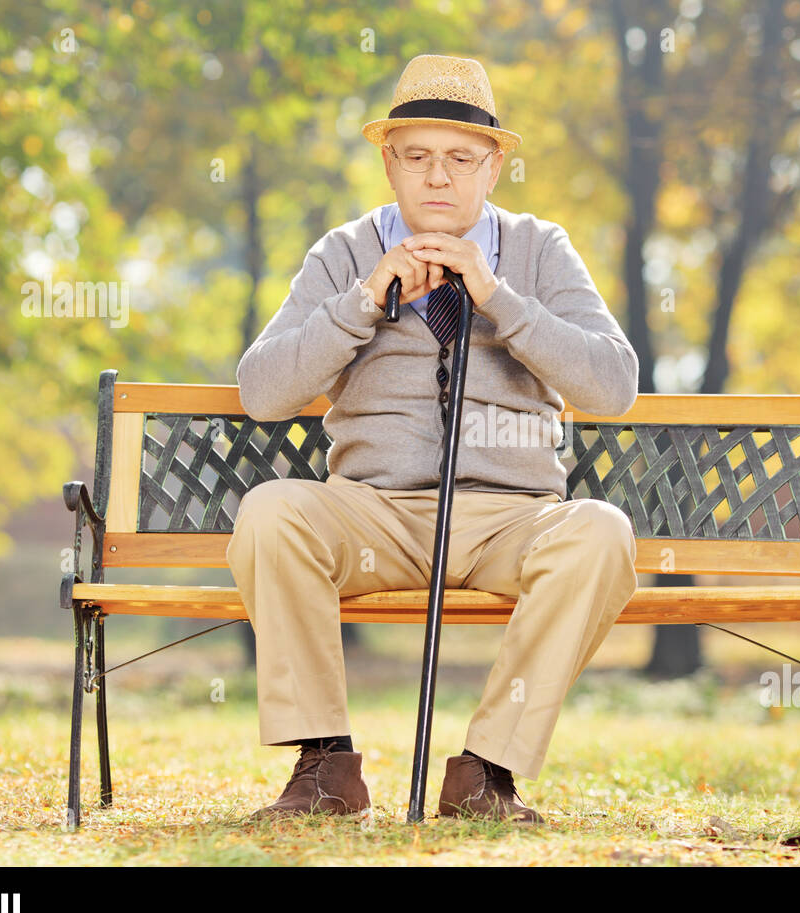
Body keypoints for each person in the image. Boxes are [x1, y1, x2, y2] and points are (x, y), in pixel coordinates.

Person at [228, 54, 639, 825]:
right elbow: (264, 392)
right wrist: (362, 301)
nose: (438, 179)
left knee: (602, 532)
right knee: (272, 510)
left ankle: (487, 773)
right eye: (417, 157)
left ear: (494, 167)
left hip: (510, 521)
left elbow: (612, 385)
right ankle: (324, 769)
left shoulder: (539, 249)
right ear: (389, 163)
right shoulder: (344, 252)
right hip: (373, 514)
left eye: (460, 159)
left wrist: (498, 298)